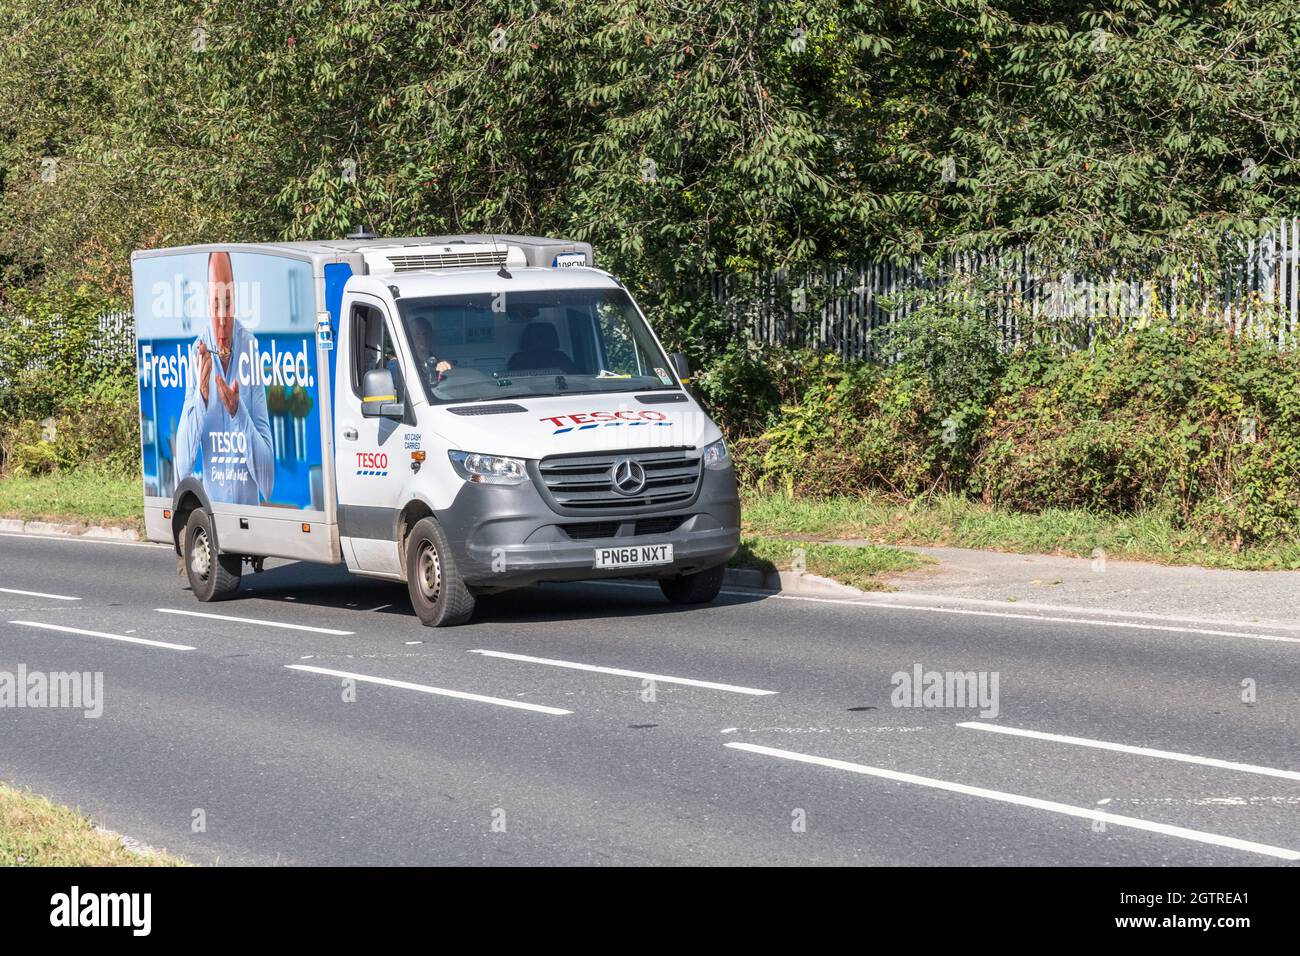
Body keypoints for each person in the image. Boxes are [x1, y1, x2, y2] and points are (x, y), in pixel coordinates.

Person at [173, 251, 275, 504]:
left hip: (252, 518)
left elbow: (268, 482)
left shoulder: (250, 349)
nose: (221, 319)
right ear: (207, 302)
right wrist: (202, 397)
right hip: (213, 515)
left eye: (227, 304)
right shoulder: (198, 353)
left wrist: (238, 412)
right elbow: (182, 467)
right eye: (215, 304)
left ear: (236, 300)